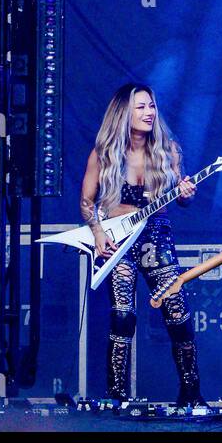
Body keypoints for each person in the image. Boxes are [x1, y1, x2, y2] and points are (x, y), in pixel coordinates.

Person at [79, 83, 202, 405]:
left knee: (178, 314)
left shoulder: (168, 150)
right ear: (124, 113)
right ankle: (116, 393)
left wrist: (187, 192)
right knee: (123, 314)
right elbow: (87, 200)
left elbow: (183, 197)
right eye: (141, 107)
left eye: (152, 106)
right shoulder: (104, 154)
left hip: (156, 238)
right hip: (118, 240)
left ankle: (191, 392)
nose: (149, 113)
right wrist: (96, 231)